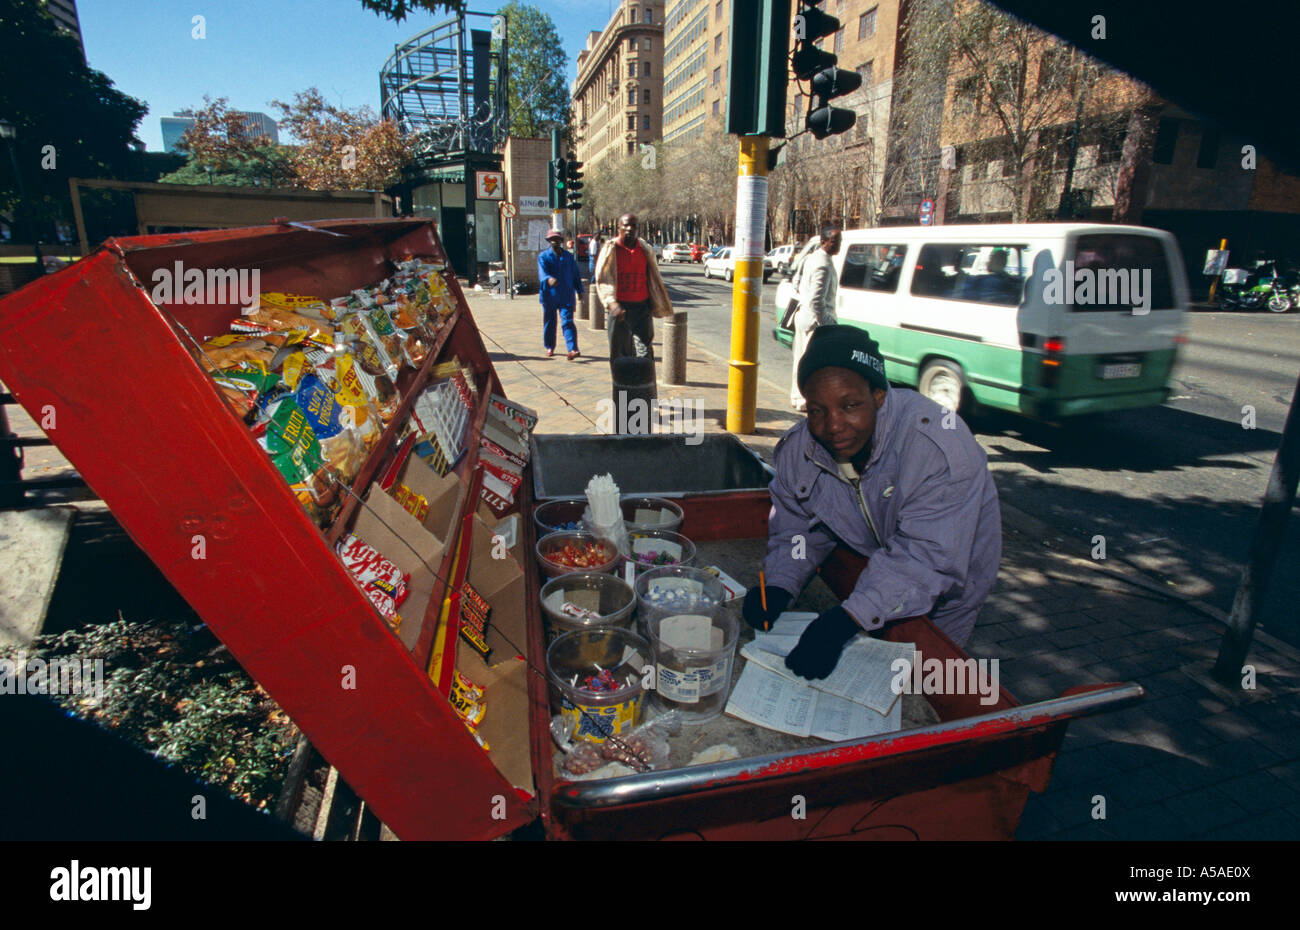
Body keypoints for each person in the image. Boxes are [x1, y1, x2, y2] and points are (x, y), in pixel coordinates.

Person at [745, 325, 1002, 680]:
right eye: (817, 410)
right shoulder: (799, 451)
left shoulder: (938, 448)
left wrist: (847, 619)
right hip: (879, 571)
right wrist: (778, 585)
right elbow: (799, 533)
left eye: (849, 405)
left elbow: (926, 558)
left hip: (950, 588)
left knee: (924, 684)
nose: (833, 425)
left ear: (879, 394)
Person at [593, 213, 674, 417]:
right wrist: (612, 304)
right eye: (625, 226)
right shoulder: (611, 249)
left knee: (645, 352)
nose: (630, 229)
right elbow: (602, 279)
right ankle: (620, 397)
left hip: (641, 308)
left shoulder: (644, 249)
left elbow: (653, 277)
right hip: (618, 308)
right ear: (618, 227)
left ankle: (648, 397)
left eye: (634, 226)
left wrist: (655, 302)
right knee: (618, 355)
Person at [791, 227, 842, 412]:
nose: (838, 245)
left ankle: (798, 397)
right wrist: (827, 323)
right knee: (812, 365)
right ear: (824, 242)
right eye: (835, 241)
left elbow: (796, 282)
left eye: (839, 241)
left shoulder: (811, 258)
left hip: (803, 316)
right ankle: (805, 399)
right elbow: (816, 300)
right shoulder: (823, 264)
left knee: (800, 360)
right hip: (814, 322)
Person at [537, 229, 583, 360]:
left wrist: (579, 290)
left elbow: (575, 274)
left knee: (568, 321)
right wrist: (548, 278)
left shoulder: (568, 257)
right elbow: (542, 272)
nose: (554, 242)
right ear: (549, 241)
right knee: (550, 322)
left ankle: (573, 348)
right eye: (552, 240)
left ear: (561, 241)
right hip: (549, 296)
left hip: (566, 294)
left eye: (557, 239)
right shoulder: (543, 256)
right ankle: (549, 346)